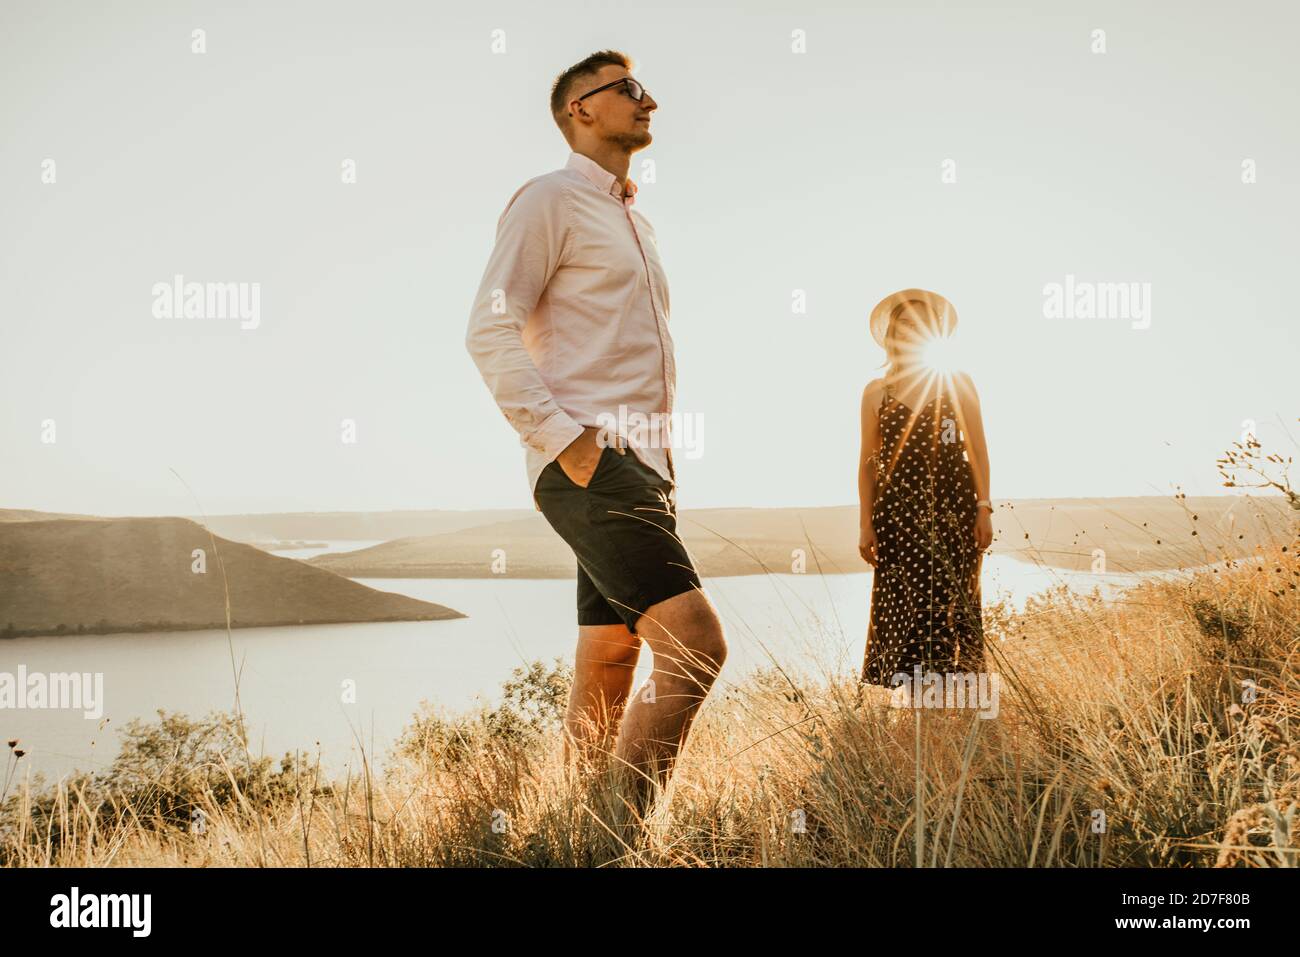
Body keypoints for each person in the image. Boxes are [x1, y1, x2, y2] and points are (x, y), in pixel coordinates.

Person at [464, 50, 726, 819]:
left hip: (642, 466)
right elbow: (489, 327)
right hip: (588, 459)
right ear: (581, 108)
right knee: (697, 646)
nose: (649, 101)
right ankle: (618, 831)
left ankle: (574, 824)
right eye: (629, 89)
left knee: (614, 654)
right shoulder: (549, 200)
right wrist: (565, 439)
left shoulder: (634, 222)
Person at [857, 289, 993, 694]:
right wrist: (866, 524)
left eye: (921, 326)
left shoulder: (957, 382)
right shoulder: (875, 392)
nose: (912, 332)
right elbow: (868, 462)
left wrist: (983, 507)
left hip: (955, 511)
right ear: (891, 336)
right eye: (904, 326)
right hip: (897, 517)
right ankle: (921, 708)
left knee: (954, 604)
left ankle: (955, 701)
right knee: (910, 609)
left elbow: (978, 449)